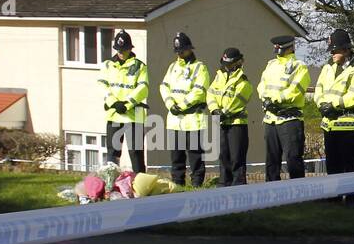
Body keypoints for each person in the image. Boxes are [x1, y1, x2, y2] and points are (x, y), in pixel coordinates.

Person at [315, 29, 354, 206]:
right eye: (331, 51)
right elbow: (318, 90)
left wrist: (332, 105)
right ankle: (334, 196)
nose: (332, 54)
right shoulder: (327, 69)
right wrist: (321, 104)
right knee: (333, 165)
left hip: (349, 126)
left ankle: (353, 198)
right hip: (330, 125)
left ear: (346, 50)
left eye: (335, 50)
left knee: (351, 165)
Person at [159, 32, 210, 187]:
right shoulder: (172, 67)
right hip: (175, 121)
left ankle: (196, 186)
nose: (180, 54)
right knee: (176, 158)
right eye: (178, 51)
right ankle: (177, 186)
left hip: (193, 120)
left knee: (195, 158)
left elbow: (199, 90)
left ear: (189, 49)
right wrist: (170, 105)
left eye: (182, 51)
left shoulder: (200, 68)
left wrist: (181, 106)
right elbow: (164, 87)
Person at [257, 34, 310, 181]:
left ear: (290, 47)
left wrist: (274, 100)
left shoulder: (299, 66)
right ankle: (272, 191)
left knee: (293, 158)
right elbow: (262, 85)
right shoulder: (271, 65)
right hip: (270, 119)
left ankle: (298, 192)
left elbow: (296, 89)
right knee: (271, 160)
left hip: (290, 119)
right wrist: (265, 98)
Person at [99, 30, 148, 172]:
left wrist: (127, 104)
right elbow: (102, 85)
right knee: (113, 152)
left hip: (135, 114)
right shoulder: (107, 65)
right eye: (119, 50)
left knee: (136, 152)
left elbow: (143, 88)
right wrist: (114, 102)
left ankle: (140, 184)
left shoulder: (140, 66)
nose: (121, 53)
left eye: (124, 49)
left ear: (130, 49)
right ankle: (111, 183)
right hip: (114, 113)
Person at [208, 47, 253, 186]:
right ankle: (223, 184)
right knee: (223, 156)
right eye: (225, 63)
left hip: (236, 123)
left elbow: (237, 101)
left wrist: (224, 113)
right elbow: (210, 93)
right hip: (222, 123)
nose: (226, 66)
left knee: (236, 158)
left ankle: (238, 187)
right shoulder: (219, 76)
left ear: (238, 62)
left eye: (230, 63)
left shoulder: (242, 81)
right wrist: (214, 110)